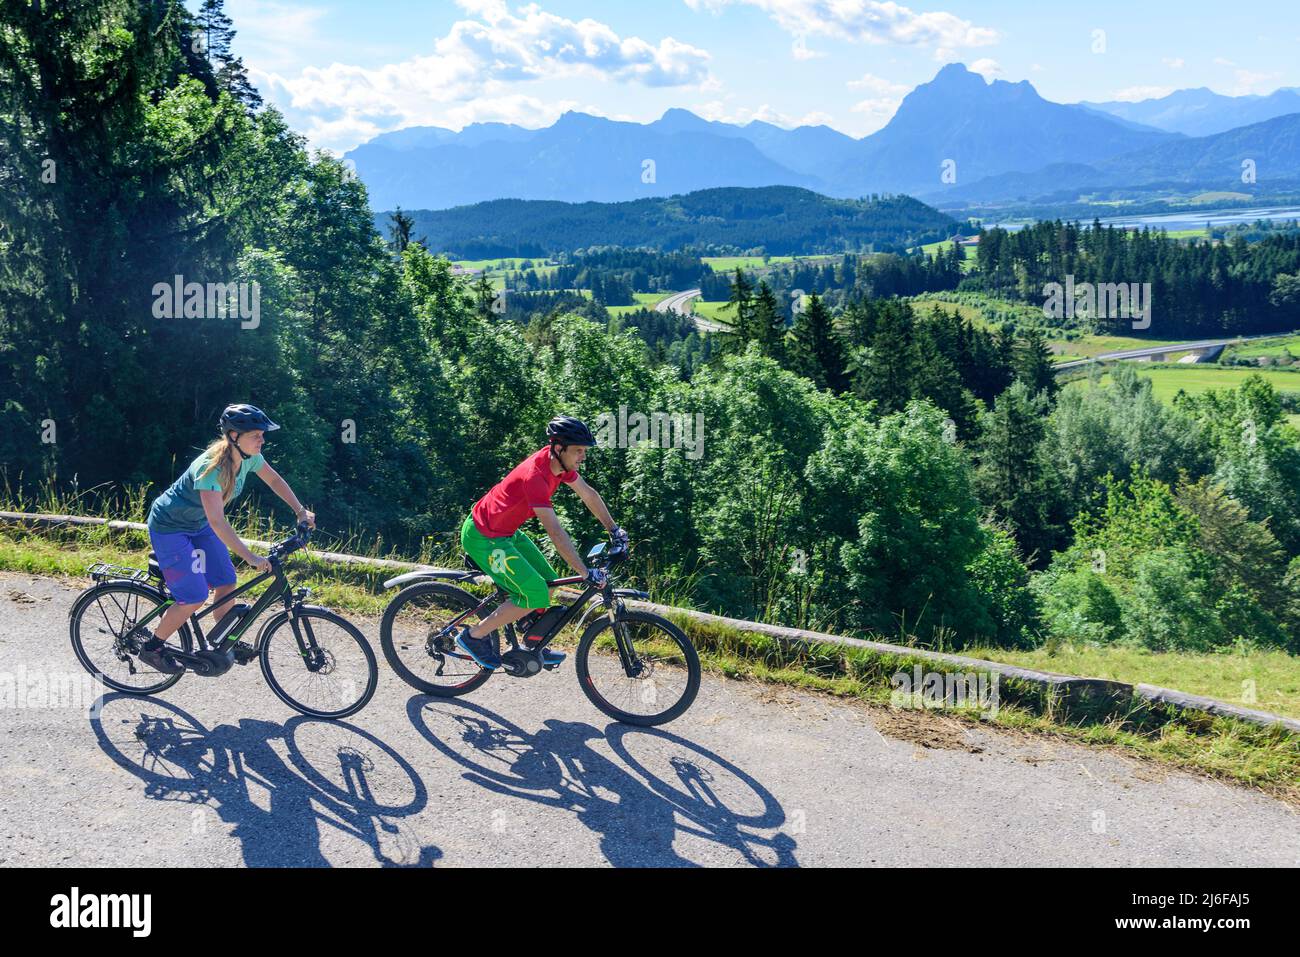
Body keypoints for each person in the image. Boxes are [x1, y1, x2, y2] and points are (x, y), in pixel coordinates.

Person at [139, 404, 315, 673]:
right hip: (170, 528)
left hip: (198, 524)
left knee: (226, 580)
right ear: (234, 436)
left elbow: (275, 480)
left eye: (262, 434)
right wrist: (251, 557)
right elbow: (218, 522)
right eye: (256, 434)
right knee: (194, 596)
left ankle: (221, 640)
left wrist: (300, 510)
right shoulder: (211, 469)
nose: (262, 439)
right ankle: (152, 647)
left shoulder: (249, 457)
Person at [456, 415, 628, 670]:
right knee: (535, 593)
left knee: (549, 582)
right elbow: (556, 532)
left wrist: (615, 530)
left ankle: (532, 640)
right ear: (559, 449)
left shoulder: (561, 467)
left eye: (584, 451)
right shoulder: (535, 477)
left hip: (506, 533)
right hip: (483, 537)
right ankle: (473, 636)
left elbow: (588, 494)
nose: (583, 456)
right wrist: (584, 572)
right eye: (578, 451)